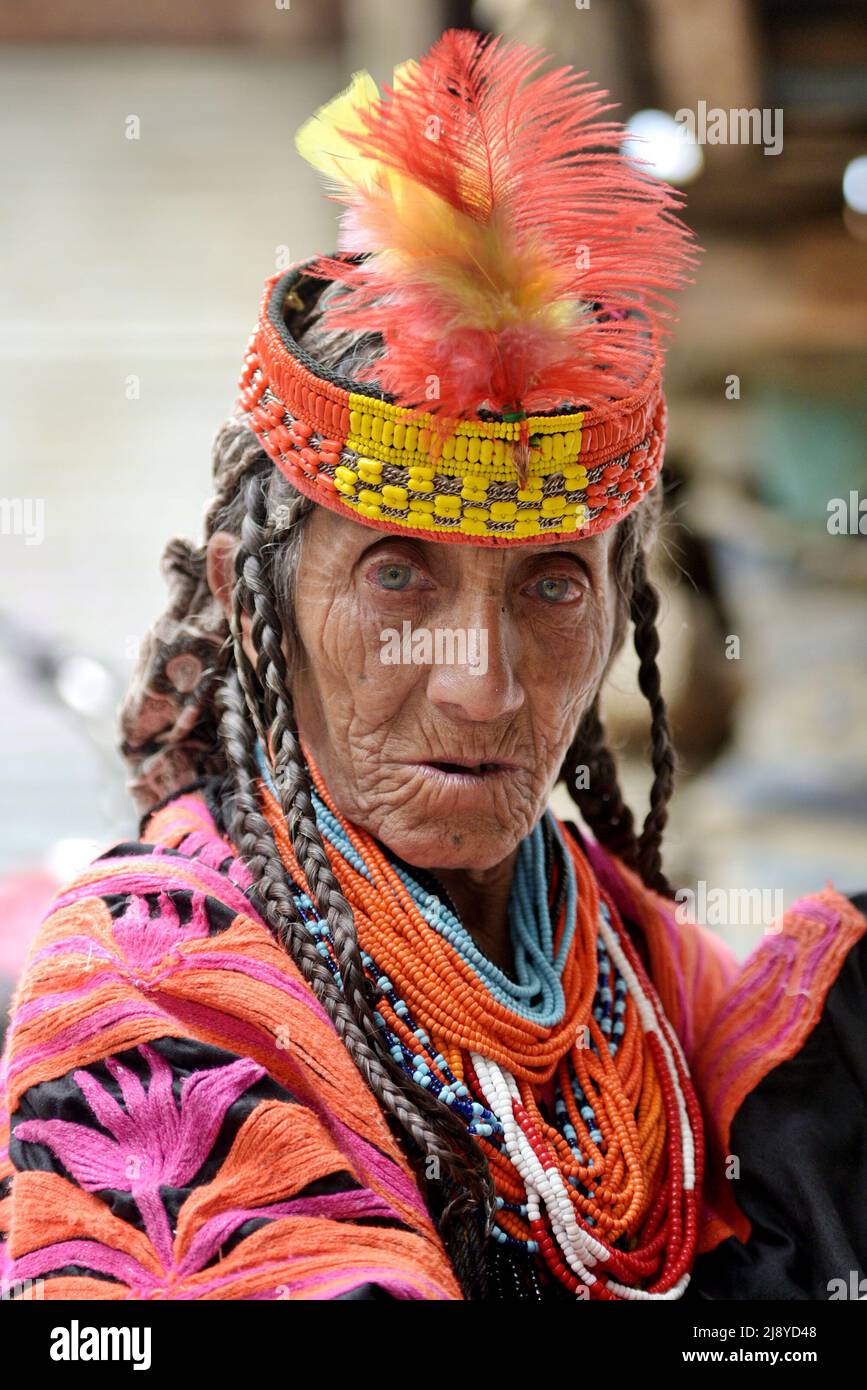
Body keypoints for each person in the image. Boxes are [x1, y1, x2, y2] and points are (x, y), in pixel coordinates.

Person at [1, 29, 865, 1303]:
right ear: (259, 604)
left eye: (552, 583)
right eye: (398, 574)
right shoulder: (149, 979)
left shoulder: (614, 947)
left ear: (623, 613)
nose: (483, 683)